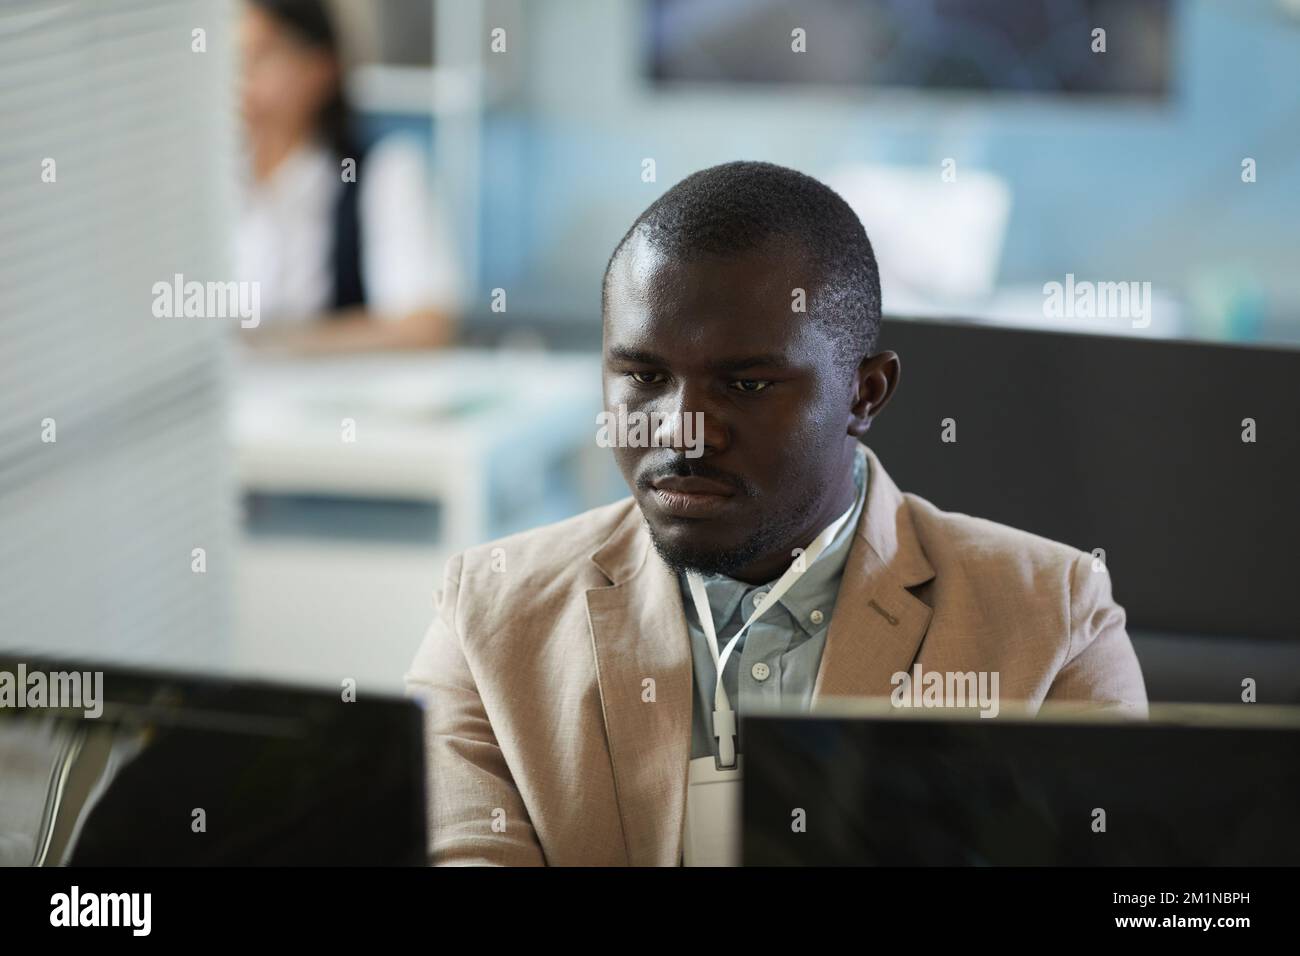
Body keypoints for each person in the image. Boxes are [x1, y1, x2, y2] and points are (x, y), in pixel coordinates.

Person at [405, 160, 1148, 866]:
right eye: (643, 376)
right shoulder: (491, 617)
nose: (679, 429)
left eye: (747, 385)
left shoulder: (1053, 620)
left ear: (865, 394)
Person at [237, 0, 460, 352]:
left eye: (262, 57)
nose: (242, 79)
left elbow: (423, 329)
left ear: (322, 67)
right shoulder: (207, 187)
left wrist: (275, 346)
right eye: (234, 60)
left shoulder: (383, 171)